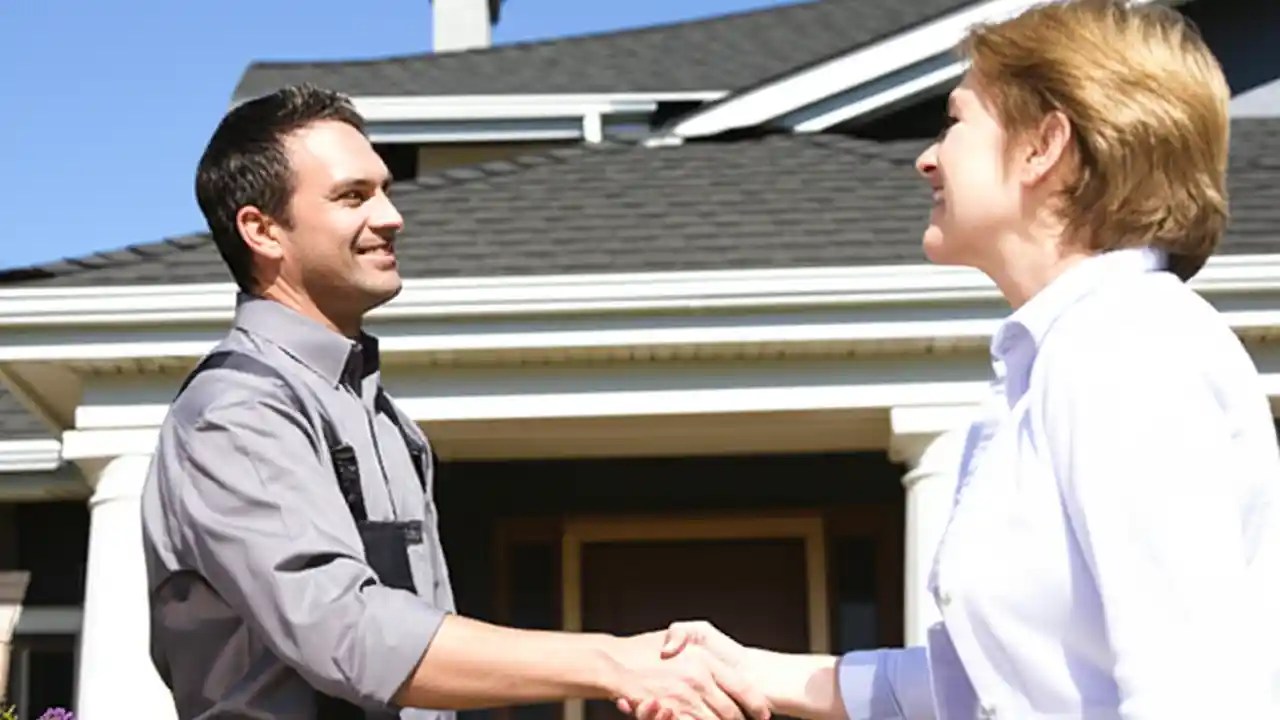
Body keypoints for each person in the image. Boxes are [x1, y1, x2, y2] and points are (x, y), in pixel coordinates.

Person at [619, 1, 1280, 718]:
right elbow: (982, 684)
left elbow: (1192, 690)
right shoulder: (1063, 360)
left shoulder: (1132, 348)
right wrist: (748, 671)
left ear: (1043, 146)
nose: (927, 157)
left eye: (957, 121)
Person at [139, 84, 771, 720]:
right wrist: (612, 663)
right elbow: (346, 634)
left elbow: (416, 666)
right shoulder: (237, 413)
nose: (390, 216)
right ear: (263, 230)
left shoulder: (381, 419)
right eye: (352, 196)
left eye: (384, 189)